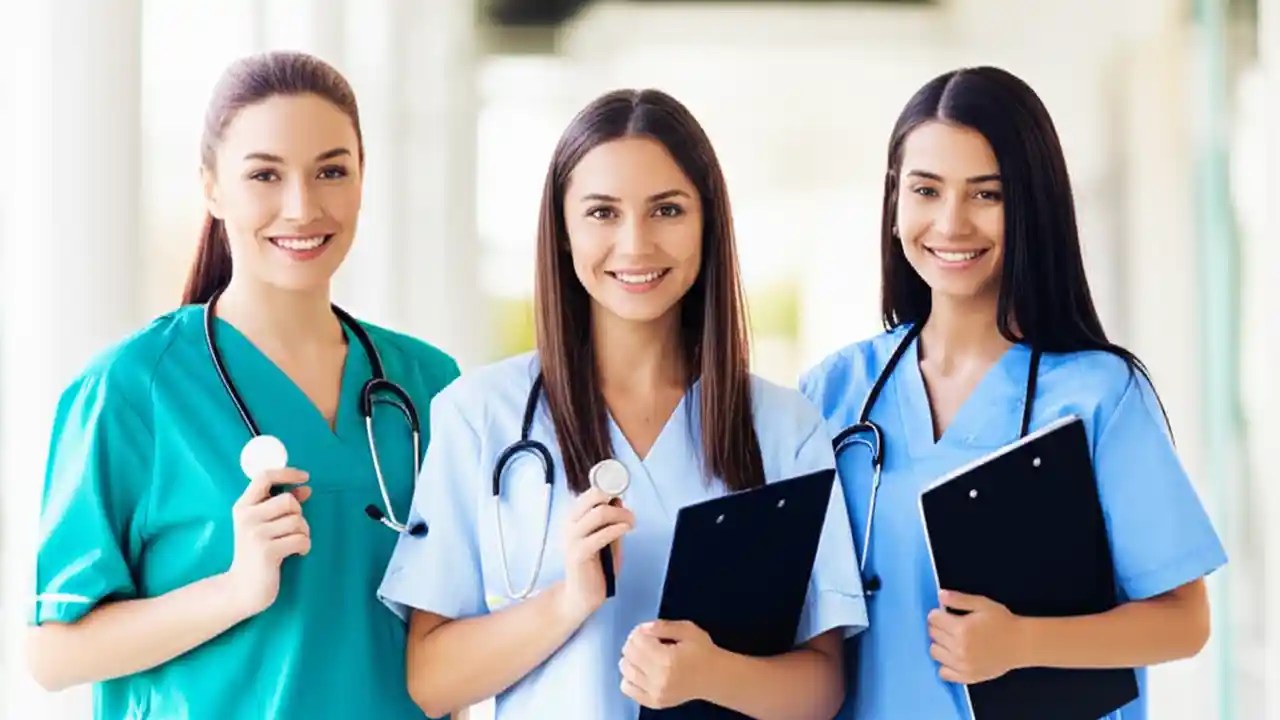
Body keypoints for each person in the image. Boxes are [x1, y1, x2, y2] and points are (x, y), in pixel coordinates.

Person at [376, 88, 867, 719]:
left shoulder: (783, 427)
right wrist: (568, 600)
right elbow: (431, 680)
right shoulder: (480, 415)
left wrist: (712, 674)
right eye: (603, 213)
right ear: (562, 230)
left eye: (666, 210)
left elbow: (823, 686)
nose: (635, 245)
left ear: (707, 223)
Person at [26, 50, 459, 719]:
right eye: (264, 174)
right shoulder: (130, 388)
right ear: (212, 186)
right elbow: (54, 655)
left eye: (331, 171)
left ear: (363, 179)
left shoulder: (427, 385)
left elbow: (445, 640)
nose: (301, 205)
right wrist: (235, 590)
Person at [799, 65, 1227, 719]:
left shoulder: (1098, 396)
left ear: (1032, 208)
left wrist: (1021, 642)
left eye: (987, 195)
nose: (951, 222)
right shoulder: (833, 393)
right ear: (894, 205)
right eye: (926, 190)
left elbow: (1183, 620)